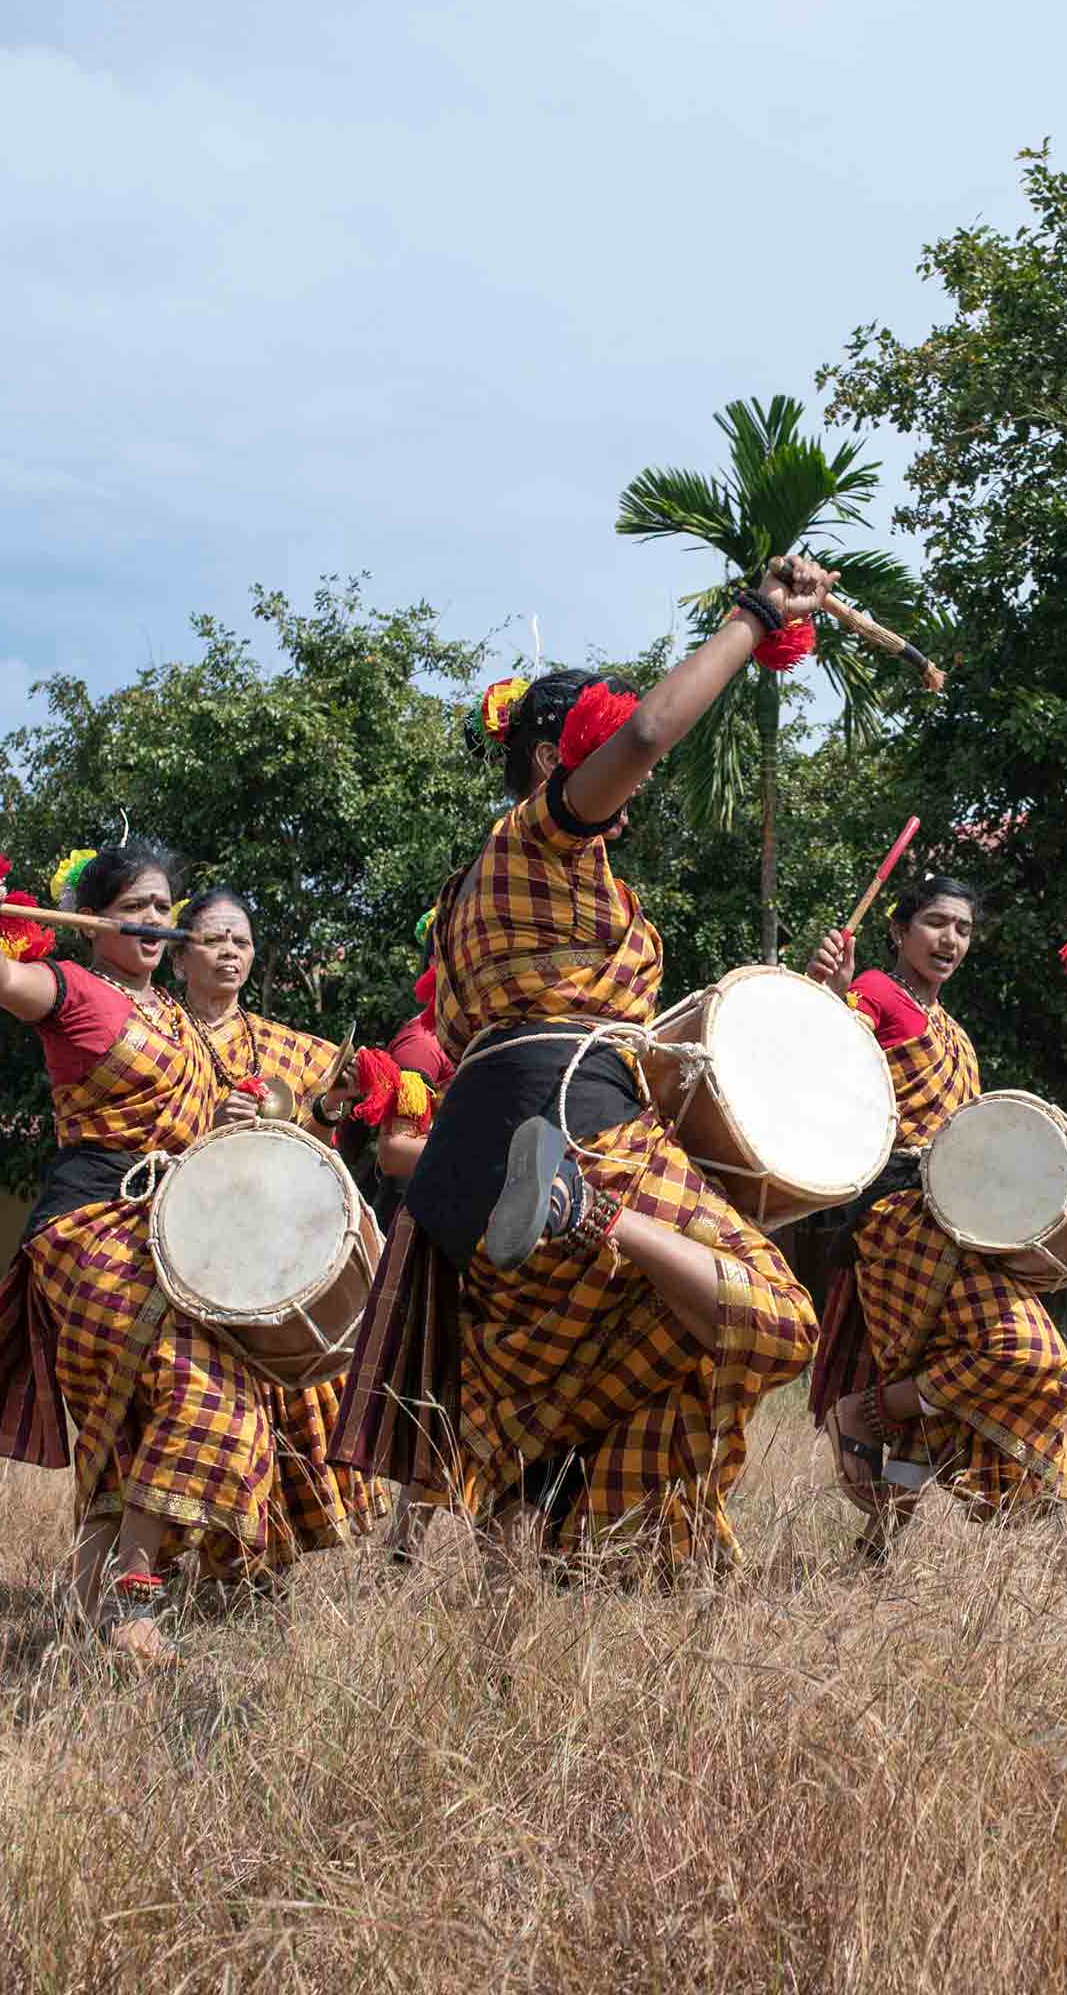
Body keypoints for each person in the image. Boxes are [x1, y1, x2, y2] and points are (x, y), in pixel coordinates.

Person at [333, 555, 838, 1572]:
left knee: (548, 1430)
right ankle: (591, 1216)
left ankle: (544, 1610)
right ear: (557, 759)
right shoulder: (543, 841)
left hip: (474, 1167)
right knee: (777, 1318)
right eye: (607, 763)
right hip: (573, 1130)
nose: (634, 786)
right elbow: (648, 732)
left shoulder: (470, 893)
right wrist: (753, 618)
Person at [0, 840, 351, 1663]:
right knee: (210, 1388)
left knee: (127, 1415)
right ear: (94, 921)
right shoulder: (73, 990)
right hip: (90, 1227)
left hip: (171, 1226)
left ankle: (88, 1603)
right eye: (134, 908)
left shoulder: (175, 1018)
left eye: (163, 909)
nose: (153, 922)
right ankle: (136, 1601)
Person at [802, 875, 1067, 1556]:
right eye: (935, 922)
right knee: (1029, 1355)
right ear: (899, 930)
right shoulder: (875, 991)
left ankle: (878, 1550)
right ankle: (864, 1411)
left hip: (957, 1218)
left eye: (963, 928)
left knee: (936, 1384)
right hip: (900, 1216)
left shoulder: (955, 1032)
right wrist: (831, 995)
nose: (950, 939)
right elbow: (829, 1055)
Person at [165, 883, 388, 1555]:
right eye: (213, 939)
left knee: (288, 1402)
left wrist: (327, 1106)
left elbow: (315, 1142)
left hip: (272, 1256)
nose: (230, 952)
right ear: (179, 957)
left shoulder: (284, 1045)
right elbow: (139, 1133)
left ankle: (265, 1564)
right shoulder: (158, 1042)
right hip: (185, 1253)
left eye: (242, 940)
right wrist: (209, 1124)